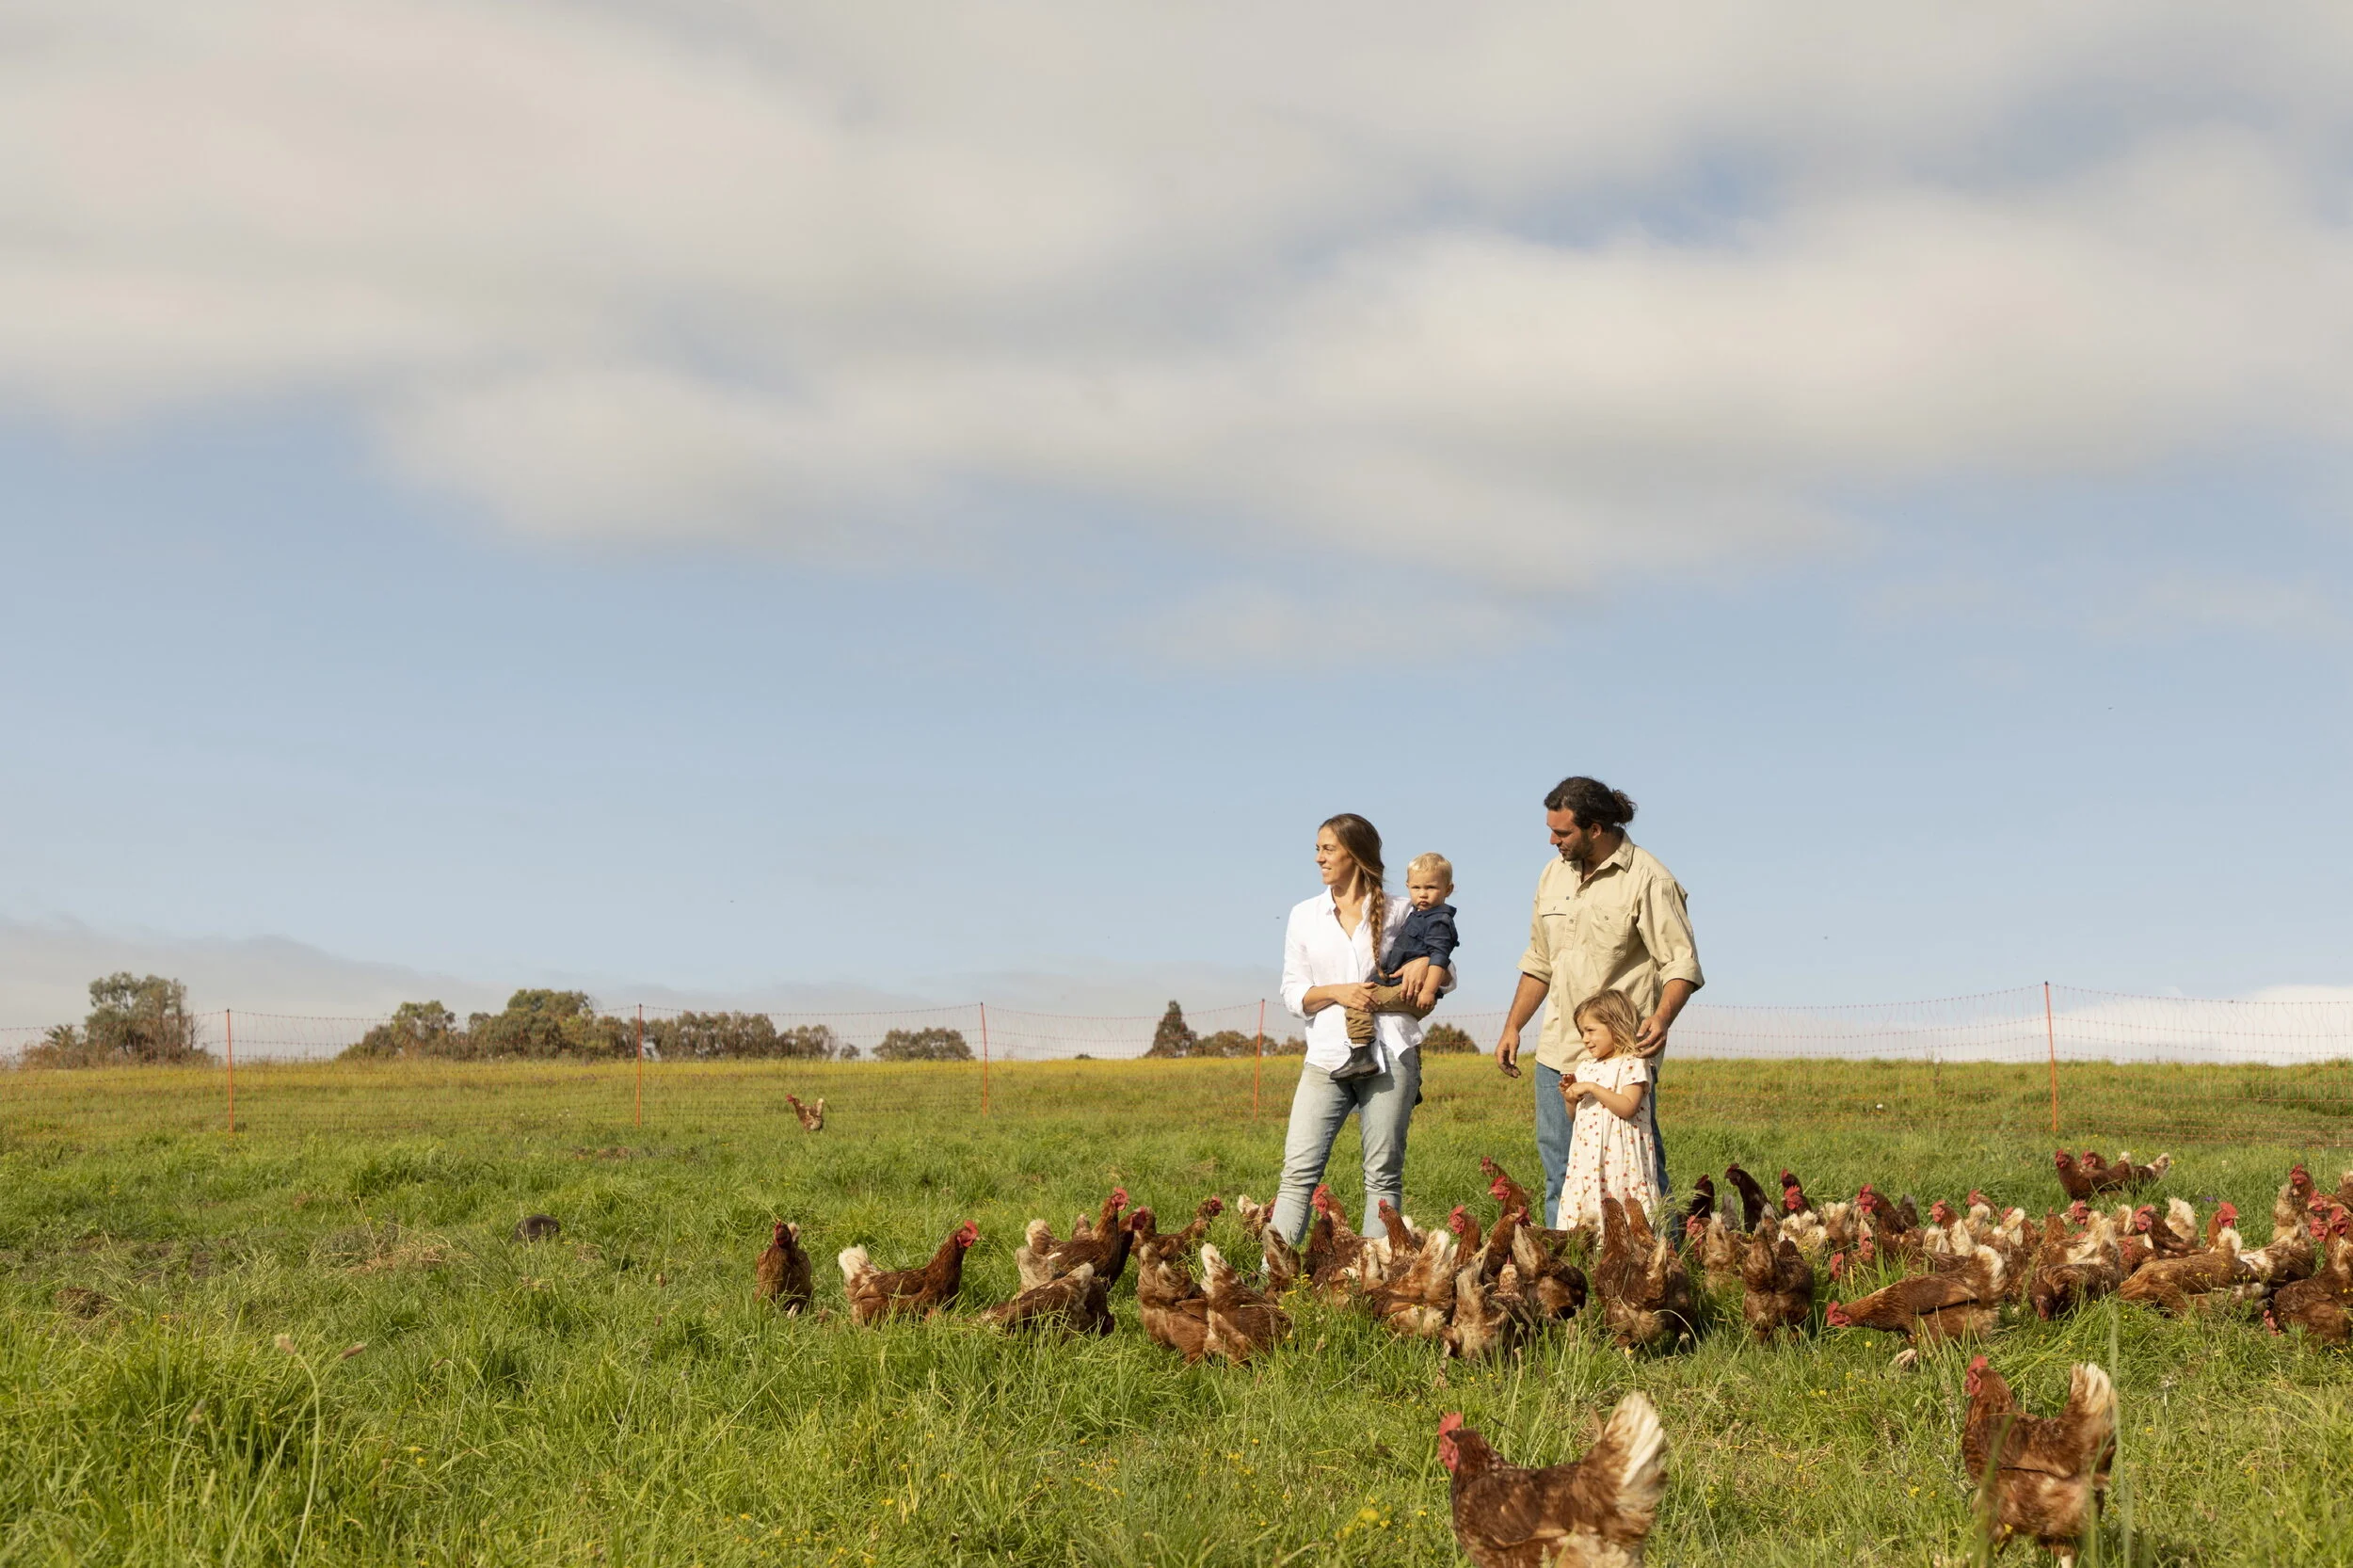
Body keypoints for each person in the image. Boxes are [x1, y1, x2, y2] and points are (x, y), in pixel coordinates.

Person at [1493, 776, 1702, 1227]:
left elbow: (1680, 964)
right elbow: (1539, 961)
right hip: (1557, 1052)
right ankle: (1567, 1282)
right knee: (1560, 1173)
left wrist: (1662, 1018)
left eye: (1562, 833)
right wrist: (1513, 1026)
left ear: (1597, 828)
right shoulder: (1552, 875)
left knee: (1636, 1175)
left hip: (1619, 1056)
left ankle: (1659, 1271)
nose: (1553, 841)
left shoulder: (1649, 879)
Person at [1272, 814, 1451, 1242]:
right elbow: (1293, 993)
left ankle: (1376, 1280)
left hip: (1392, 1052)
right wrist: (1339, 992)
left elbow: (1447, 973)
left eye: (1327, 848)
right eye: (1318, 848)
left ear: (1355, 854)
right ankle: (1270, 1277)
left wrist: (1425, 963)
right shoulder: (1304, 915)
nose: (1318, 858)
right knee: (1298, 1171)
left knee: (1383, 1174)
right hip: (1327, 1055)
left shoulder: (1404, 909)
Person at [1334, 851, 1460, 1081]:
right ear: (1408, 886)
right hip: (1401, 985)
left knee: (1360, 999)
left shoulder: (1439, 921)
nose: (1423, 894)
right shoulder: (1417, 914)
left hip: (1411, 990)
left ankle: (1361, 1054)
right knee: (1405, 1028)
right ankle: (1415, 1079)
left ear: (1448, 890)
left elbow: (1439, 957)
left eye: (1431, 888)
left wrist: (1429, 991)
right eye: (1416, 888)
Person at [1552, 990, 1660, 1228]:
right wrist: (1571, 1099)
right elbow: (1575, 1117)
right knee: (1588, 1210)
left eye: (1591, 1030)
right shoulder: (1585, 1067)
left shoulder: (1633, 1062)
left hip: (1620, 1159)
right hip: (1588, 1160)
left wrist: (1591, 1087)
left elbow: (1628, 1107)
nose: (1585, 1039)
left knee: (1622, 1207)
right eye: (1582, 1032)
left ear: (1615, 1025)